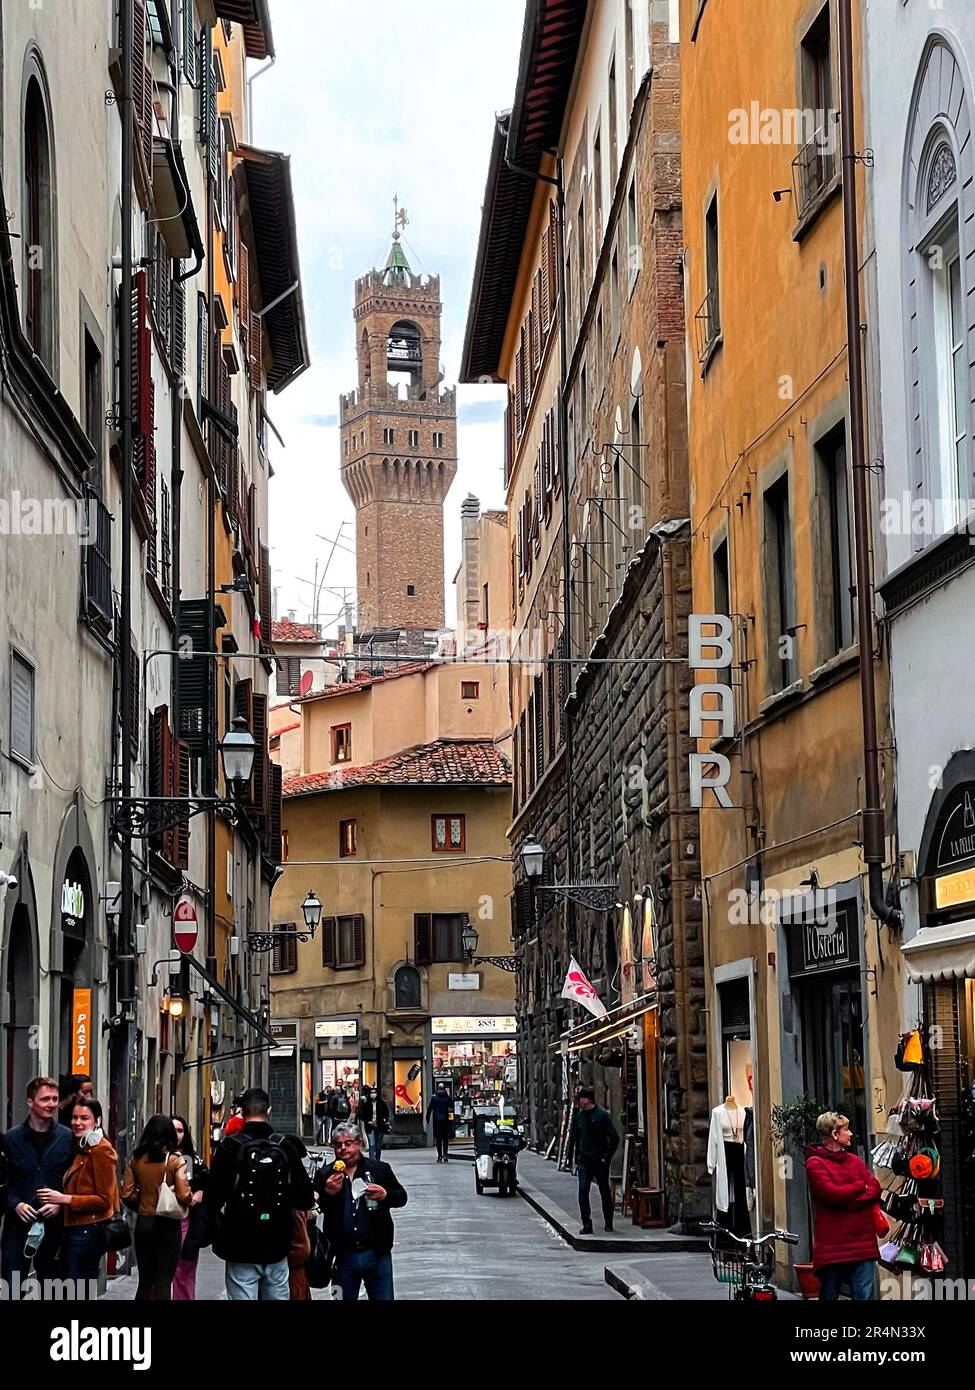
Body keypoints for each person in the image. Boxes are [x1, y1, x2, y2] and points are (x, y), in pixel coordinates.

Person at [204, 1086, 313, 1302]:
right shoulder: (285, 1146)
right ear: (268, 1111)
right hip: (277, 1243)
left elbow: (212, 1199)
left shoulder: (229, 1147)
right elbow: (305, 1199)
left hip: (240, 1244)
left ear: (242, 1112)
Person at [314, 1123, 407, 1301]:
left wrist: (385, 1194)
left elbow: (401, 1197)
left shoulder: (379, 1169)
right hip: (342, 1256)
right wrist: (327, 1193)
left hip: (377, 1253)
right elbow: (313, 1210)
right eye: (338, 1145)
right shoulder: (325, 1174)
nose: (343, 1148)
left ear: (360, 1144)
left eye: (348, 1143)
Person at [36, 1096, 118, 1291]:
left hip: (87, 1231)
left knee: (78, 1289)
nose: (77, 1123)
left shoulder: (101, 1151)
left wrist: (63, 1199)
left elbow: (104, 1200)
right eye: (74, 1117)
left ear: (97, 1121)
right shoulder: (81, 1147)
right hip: (74, 1229)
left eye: (84, 1118)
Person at [1, 1075, 73, 1283]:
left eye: (54, 1099)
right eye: (45, 1099)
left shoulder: (67, 1138)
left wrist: (60, 1202)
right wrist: (15, 1204)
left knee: (53, 1288)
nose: (51, 1104)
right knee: (12, 1287)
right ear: (30, 1102)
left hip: (54, 1227)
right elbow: (4, 1181)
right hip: (18, 1225)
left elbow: (74, 1180)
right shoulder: (11, 1139)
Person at [806, 1110, 881, 1301]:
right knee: (829, 1295)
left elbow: (875, 1188)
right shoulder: (815, 1163)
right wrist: (860, 1187)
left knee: (864, 1296)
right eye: (846, 1130)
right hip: (833, 1246)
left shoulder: (854, 1161)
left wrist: (848, 1200)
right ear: (834, 1134)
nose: (851, 1134)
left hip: (862, 1243)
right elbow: (832, 1194)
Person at [121, 1115, 192, 1301]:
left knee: (145, 1282)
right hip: (168, 1225)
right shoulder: (175, 1160)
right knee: (163, 1282)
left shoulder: (137, 1159)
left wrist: (142, 1203)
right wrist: (190, 1198)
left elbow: (126, 1194)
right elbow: (184, 1194)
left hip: (144, 1222)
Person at [170, 1115, 208, 1301]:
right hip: (159, 1221)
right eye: (172, 1130)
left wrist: (200, 1191)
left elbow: (206, 1180)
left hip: (185, 1220)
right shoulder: (153, 1157)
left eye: (180, 1130)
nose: (176, 1135)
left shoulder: (193, 1160)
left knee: (184, 1272)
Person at [573, 1087, 619, 1235]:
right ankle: (586, 1224)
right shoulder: (580, 1115)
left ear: (587, 1100)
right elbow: (577, 1136)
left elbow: (614, 1137)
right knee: (583, 1191)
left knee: (604, 1191)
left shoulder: (601, 1115)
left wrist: (606, 1157)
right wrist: (576, 1157)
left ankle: (608, 1222)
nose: (578, 1102)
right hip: (584, 1160)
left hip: (599, 1160)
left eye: (580, 1099)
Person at [359, 1087, 391, 1162]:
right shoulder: (367, 1104)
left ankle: (377, 1161)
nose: (373, 1094)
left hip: (380, 1126)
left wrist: (384, 1120)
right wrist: (368, 1121)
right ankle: (372, 1162)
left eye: (374, 1093)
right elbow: (362, 1114)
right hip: (370, 1127)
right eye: (371, 1093)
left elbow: (386, 1113)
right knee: (372, 1145)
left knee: (378, 1146)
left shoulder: (381, 1103)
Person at [426, 1083, 453, 1162]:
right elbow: (451, 1106)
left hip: (437, 1119)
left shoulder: (434, 1097)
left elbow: (430, 1108)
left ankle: (440, 1156)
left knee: (438, 1139)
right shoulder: (447, 1097)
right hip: (445, 1119)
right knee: (445, 1139)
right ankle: (445, 1155)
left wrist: (427, 1117)